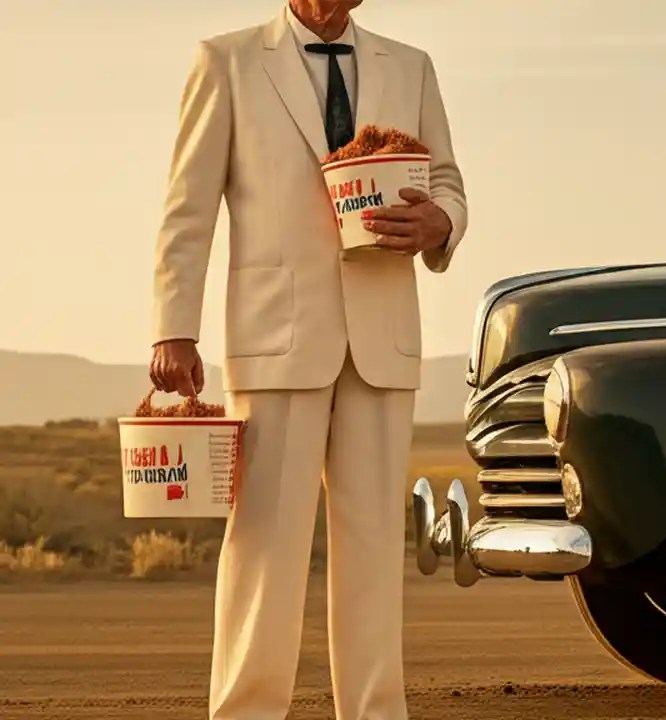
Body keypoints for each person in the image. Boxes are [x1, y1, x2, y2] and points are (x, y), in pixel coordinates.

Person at [148, 0, 467, 717]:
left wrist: (441, 220)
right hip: (276, 336)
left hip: (382, 337)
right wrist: (174, 328)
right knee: (265, 547)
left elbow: (447, 179)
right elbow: (187, 211)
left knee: (375, 550)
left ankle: (376, 711)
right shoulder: (226, 60)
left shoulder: (410, 67)